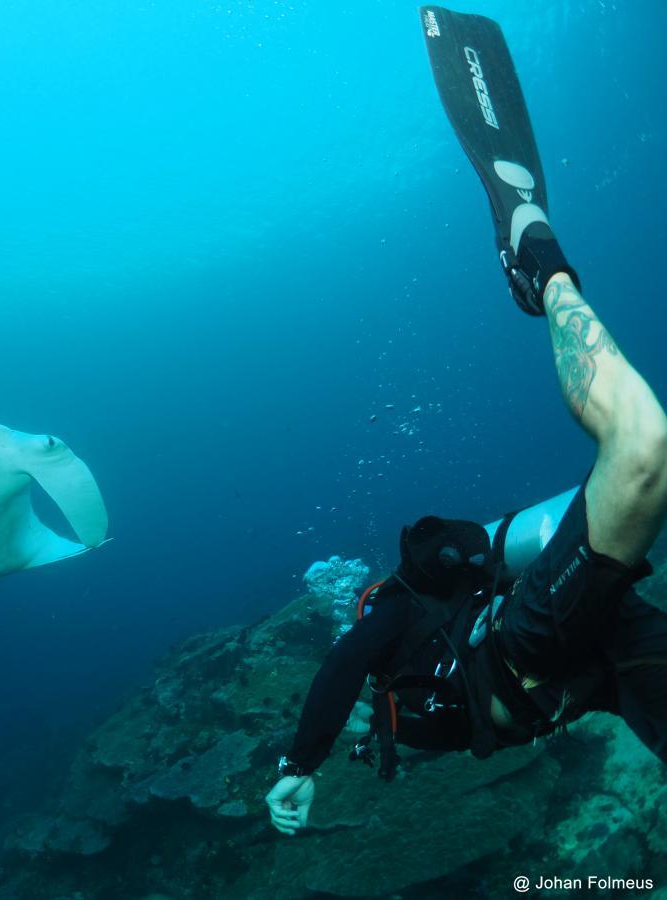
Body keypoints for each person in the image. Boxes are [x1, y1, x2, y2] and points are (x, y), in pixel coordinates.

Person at [266, 7, 667, 836]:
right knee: (642, 458)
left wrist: (298, 764)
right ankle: (538, 259)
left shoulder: (394, 614)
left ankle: (540, 261)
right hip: (572, 664)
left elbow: (347, 662)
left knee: (643, 450)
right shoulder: (434, 604)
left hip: (533, 659)